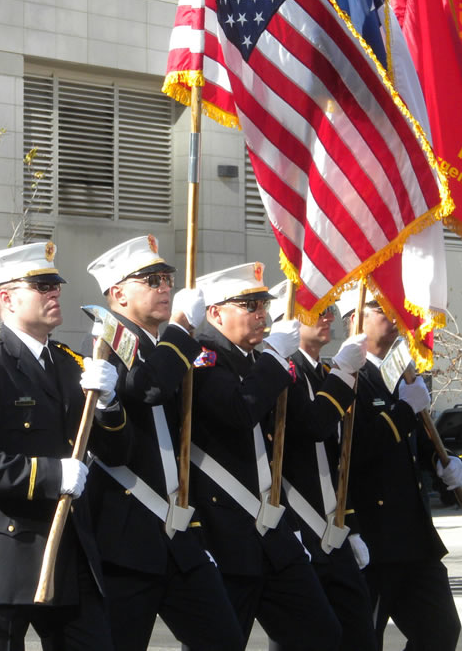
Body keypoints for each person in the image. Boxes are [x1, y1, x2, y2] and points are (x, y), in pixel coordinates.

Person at [0, 241, 130, 651]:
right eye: (42, 285)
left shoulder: (69, 364)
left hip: (67, 548)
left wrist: (110, 405)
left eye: (55, 285)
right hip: (4, 553)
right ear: (7, 297)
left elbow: (116, 453)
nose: (54, 293)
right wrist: (49, 474)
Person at [83, 235, 243, 650]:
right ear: (118, 292)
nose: (165, 288)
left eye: (167, 278)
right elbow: (146, 388)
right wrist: (183, 329)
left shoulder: (163, 347)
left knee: (224, 640)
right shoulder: (105, 342)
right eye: (151, 280)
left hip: (178, 534)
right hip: (126, 539)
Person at [189, 262, 342, 650]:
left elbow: (310, 426)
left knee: (321, 634)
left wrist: (344, 378)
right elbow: (239, 411)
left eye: (263, 305)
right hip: (224, 533)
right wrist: (276, 359)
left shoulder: (260, 362)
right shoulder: (203, 360)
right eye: (249, 305)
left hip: (272, 531)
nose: (262, 315)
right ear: (215, 313)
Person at [341, 292, 462, 651]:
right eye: (381, 308)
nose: (393, 315)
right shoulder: (346, 377)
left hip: (413, 538)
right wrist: (404, 412)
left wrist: (447, 465)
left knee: (440, 630)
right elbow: (357, 450)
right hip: (372, 536)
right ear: (355, 319)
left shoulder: (405, 374)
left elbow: (422, 444)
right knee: (365, 639)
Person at [267, 284, 377, 651]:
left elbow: (337, 460)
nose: (329, 316)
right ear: (287, 318)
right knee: (304, 639)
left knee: (359, 632)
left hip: (334, 529)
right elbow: (313, 426)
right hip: (299, 525)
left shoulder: (322, 372)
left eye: (330, 308)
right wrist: (344, 374)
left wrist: (353, 523)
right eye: (318, 310)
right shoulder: (284, 372)